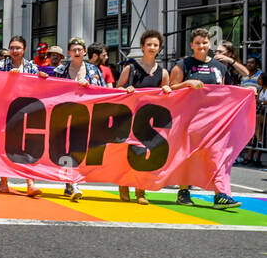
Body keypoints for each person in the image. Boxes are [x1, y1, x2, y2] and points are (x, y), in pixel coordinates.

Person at [169, 28, 241, 209]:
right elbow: (170, 88)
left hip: (215, 121)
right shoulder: (183, 65)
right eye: (198, 43)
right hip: (189, 119)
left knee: (217, 156)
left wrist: (248, 92)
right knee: (188, 155)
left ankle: (220, 195)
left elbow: (224, 92)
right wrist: (187, 83)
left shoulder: (219, 67)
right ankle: (183, 192)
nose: (201, 46)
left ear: (210, 44)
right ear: (192, 45)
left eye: (205, 42)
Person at [115, 30, 171, 204]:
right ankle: (124, 185)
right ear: (142, 47)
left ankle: (141, 190)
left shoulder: (163, 72)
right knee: (127, 153)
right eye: (149, 45)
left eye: (155, 45)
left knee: (145, 154)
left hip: (149, 120)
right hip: (129, 118)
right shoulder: (130, 68)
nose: (152, 48)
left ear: (159, 48)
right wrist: (125, 89)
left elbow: (167, 97)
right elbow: (117, 89)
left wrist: (167, 90)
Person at [0, 35, 47, 196]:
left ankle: (30, 182)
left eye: (18, 48)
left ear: (24, 49)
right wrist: (8, 79)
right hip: (5, 110)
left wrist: (43, 79)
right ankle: (3, 181)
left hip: (26, 110)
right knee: (5, 146)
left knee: (27, 146)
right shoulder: (1, 65)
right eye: (12, 48)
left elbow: (37, 88)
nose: (14, 51)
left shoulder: (31, 67)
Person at [50, 38, 106, 201]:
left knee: (79, 148)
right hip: (63, 114)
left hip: (85, 115)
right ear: (68, 52)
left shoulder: (93, 70)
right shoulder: (60, 70)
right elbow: (51, 90)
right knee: (65, 149)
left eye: (79, 49)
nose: (76, 52)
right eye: (73, 49)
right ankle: (71, 183)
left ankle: (71, 182)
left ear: (84, 52)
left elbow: (103, 91)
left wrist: (89, 86)